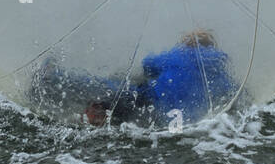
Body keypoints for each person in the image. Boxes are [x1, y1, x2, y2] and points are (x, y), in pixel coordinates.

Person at [31, 30, 236, 127]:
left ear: (188, 44)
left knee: (106, 87)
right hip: (177, 122)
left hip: (150, 101)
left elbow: (148, 64)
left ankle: (51, 78)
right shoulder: (223, 75)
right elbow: (236, 95)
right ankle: (99, 114)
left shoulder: (180, 55)